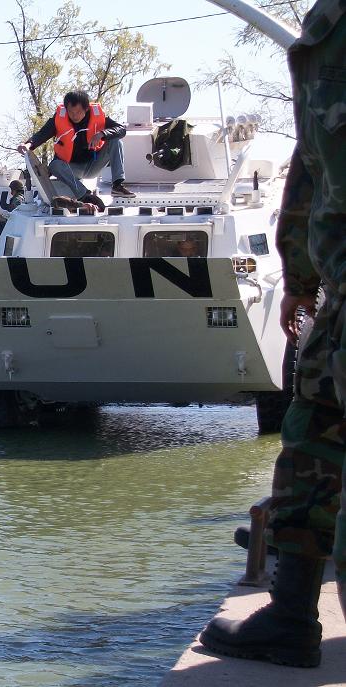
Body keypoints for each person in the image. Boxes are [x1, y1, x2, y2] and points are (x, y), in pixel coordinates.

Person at [199, 0, 345, 669]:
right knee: (314, 422)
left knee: (315, 427)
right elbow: (316, 159)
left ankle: (290, 615)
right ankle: (289, 614)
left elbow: (315, 157)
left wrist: (302, 273)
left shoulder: (328, 32)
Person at [16, 90, 136, 212]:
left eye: (78, 112)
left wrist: (102, 134)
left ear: (86, 109)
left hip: (93, 165)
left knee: (116, 141)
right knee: (54, 165)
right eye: (71, 112)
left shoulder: (98, 116)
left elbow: (121, 130)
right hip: (71, 169)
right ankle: (84, 195)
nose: (75, 116)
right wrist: (28, 144)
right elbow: (42, 134)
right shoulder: (58, 119)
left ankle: (117, 185)